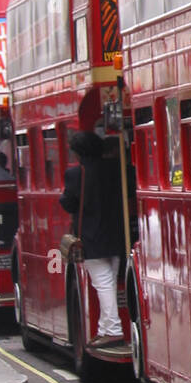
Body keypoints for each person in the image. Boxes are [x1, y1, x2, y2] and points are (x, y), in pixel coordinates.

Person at [59, 130, 126, 346]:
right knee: (110, 283)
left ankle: (113, 329)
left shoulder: (76, 174)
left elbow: (68, 203)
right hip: (117, 233)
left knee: (103, 284)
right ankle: (104, 328)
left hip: (91, 236)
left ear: (78, 153)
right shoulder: (117, 168)